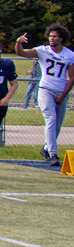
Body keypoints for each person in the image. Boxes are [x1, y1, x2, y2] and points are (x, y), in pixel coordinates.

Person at [15, 24, 74, 167]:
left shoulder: (69, 54)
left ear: (61, 38)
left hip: (61, 91)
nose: (51, 38)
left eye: (54, 36)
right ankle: (53, 154)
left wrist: (63, 95)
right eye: (50, 36)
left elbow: (72, 77)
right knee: (50, 119)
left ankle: (46, 148)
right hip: (45, 89)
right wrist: (18, 43)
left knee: (57, 125)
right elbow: (21, 53)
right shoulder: (42, 50)